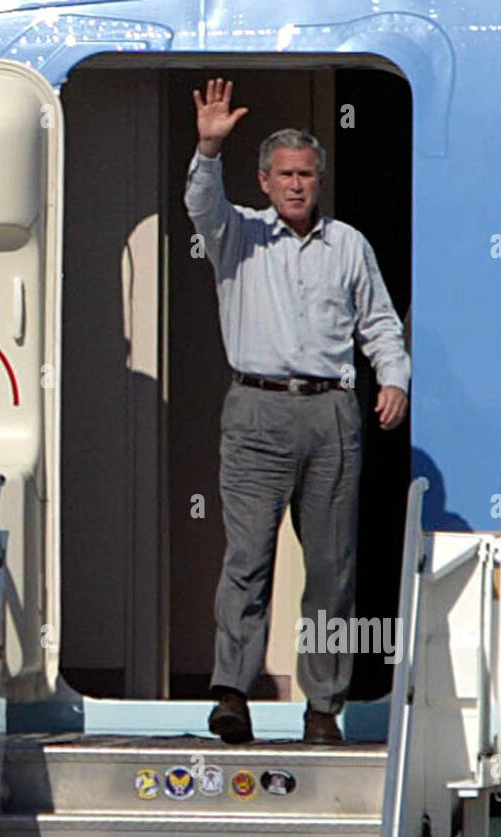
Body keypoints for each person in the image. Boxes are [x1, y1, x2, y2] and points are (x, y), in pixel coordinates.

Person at [184, 78, 411, 745]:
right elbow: (200, 203)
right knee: (247, 559)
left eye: (306, 174)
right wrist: (206, 148)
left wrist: (392, 377)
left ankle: (324, 708)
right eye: (284, 174)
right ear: (263, 180)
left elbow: (379, 323)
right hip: (256, 410)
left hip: (331, 413)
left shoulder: (349, 246)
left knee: (332, 570)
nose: (295, 185)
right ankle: (232, 693)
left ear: (320, 180)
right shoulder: (238, 235)